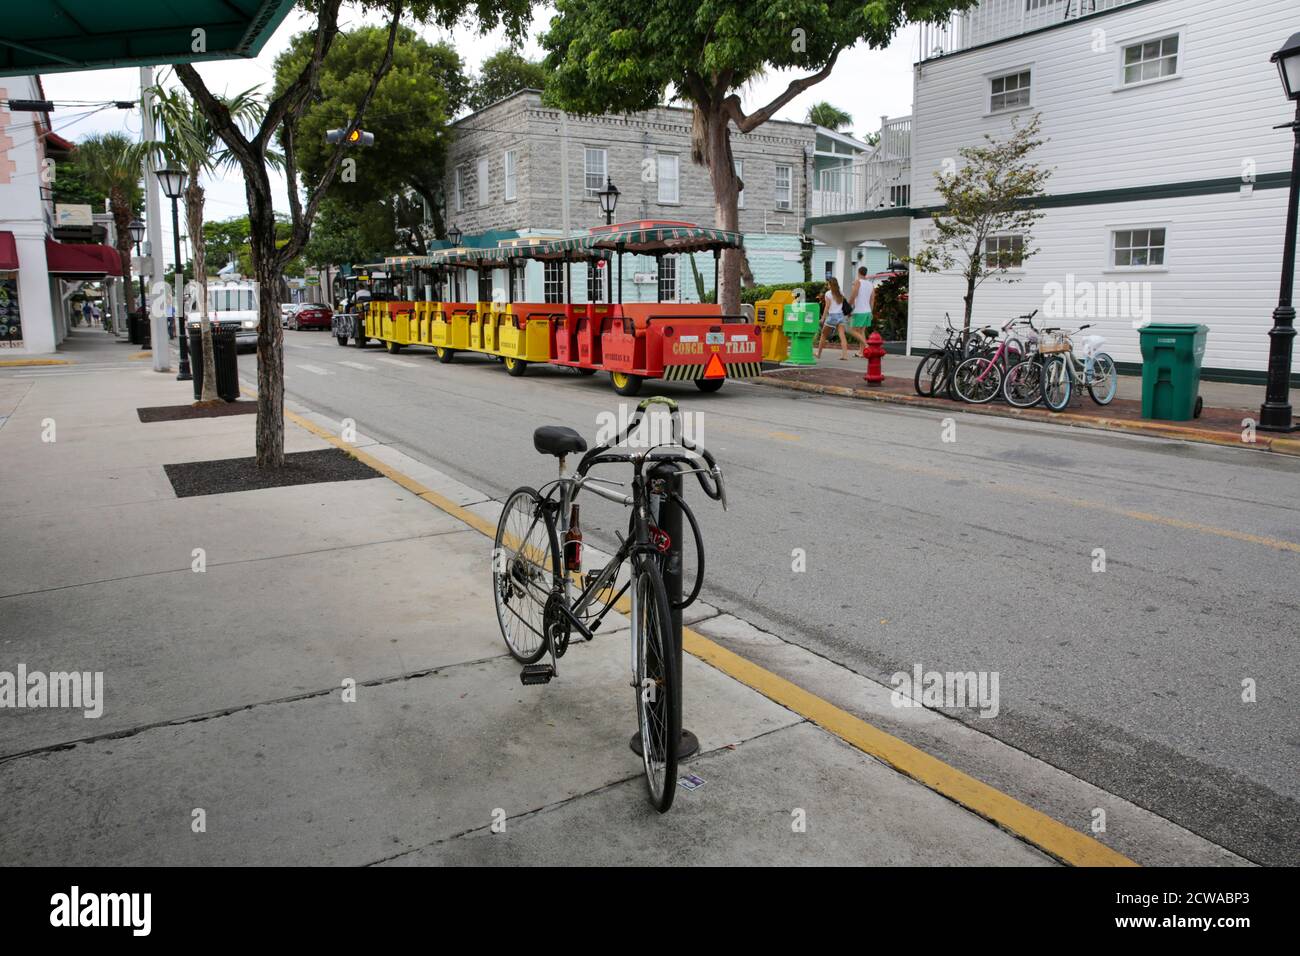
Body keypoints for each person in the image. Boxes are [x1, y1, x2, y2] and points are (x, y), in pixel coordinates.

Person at [816, 276, 850, 360]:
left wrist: (823, 318)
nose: (827, 285)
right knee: (842, 336)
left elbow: (827, 307)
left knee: (823, 335)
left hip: (832, 316)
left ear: (830, 285)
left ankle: (818, 354)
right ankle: (845, 355)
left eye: (828, 284)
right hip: (841, 316)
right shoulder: (841, 292)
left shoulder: (828, 294)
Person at [847, 266, 875, 351]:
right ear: (865, 273)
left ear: (858, 273)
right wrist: (871, 312)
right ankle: (861, 352)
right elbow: (872, 299)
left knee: (852, 330)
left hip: (859, 311)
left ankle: (867, 346)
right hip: (867, 311)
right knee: (861, 332)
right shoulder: (870, 284)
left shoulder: (858, 282)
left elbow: (853, 295)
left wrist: (848, 308)